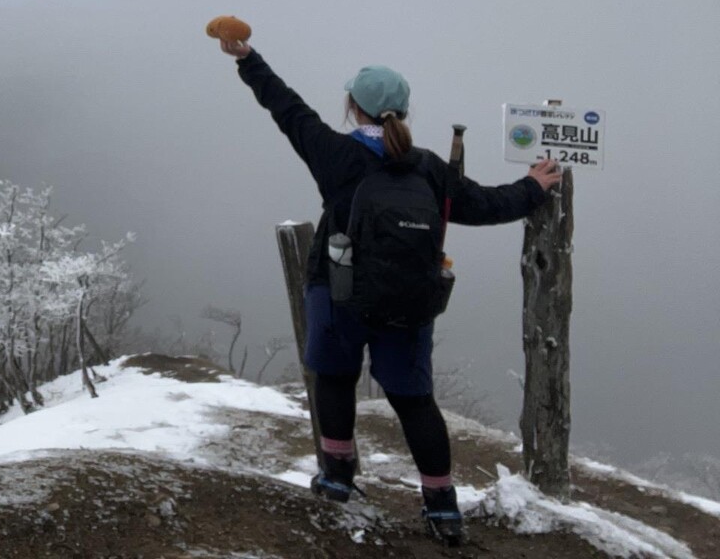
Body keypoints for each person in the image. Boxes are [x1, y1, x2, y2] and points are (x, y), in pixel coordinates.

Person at [219, 35, 560, 545]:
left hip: (336, 291)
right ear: (403, 109)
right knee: (415, 402)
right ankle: (443, 509)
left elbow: (285, 106)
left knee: (334, 379)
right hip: (408, 302)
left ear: (353, 107)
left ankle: (337, 478)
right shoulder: (428, 167)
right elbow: (485, 204)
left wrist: (248, 59)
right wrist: (534, 186)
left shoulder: (334, 154)